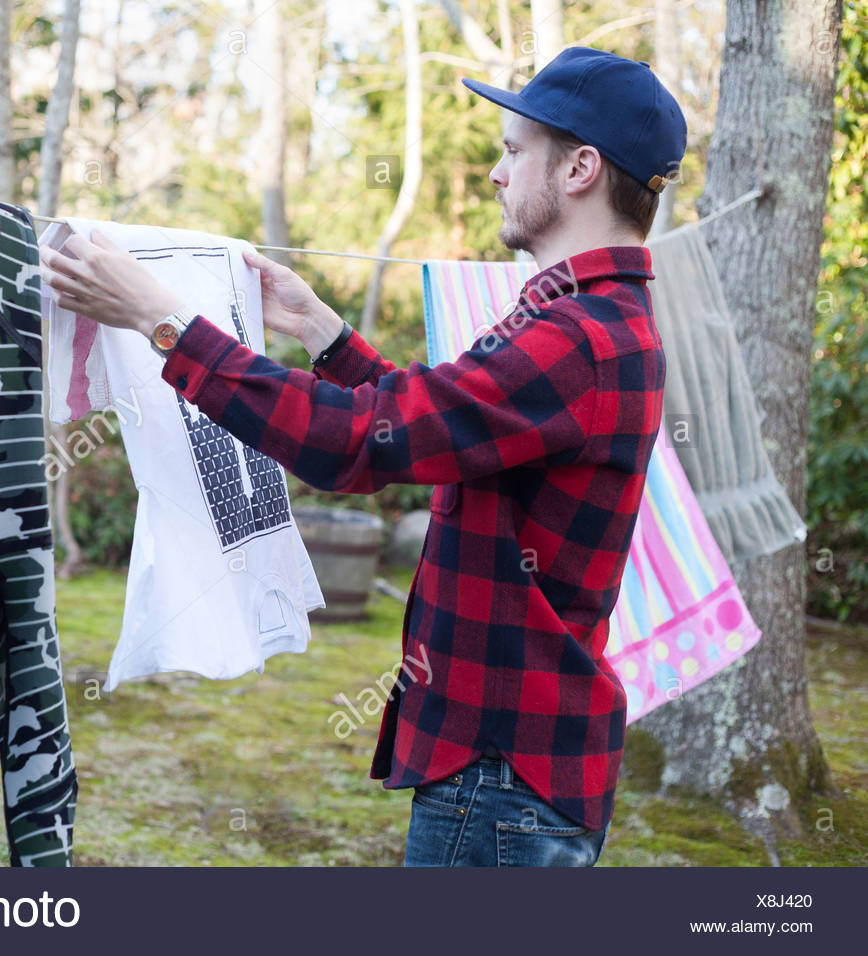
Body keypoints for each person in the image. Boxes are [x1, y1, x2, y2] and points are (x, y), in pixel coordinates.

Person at [39, 47, 686, 867]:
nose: (494, 172)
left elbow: (354, 443)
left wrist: (167, 325)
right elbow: (434, 432)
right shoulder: (591, 321)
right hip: (516, 770)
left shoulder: (576, 339)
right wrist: (322, 330)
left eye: (514, 150)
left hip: (501, 775)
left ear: (581, 169)